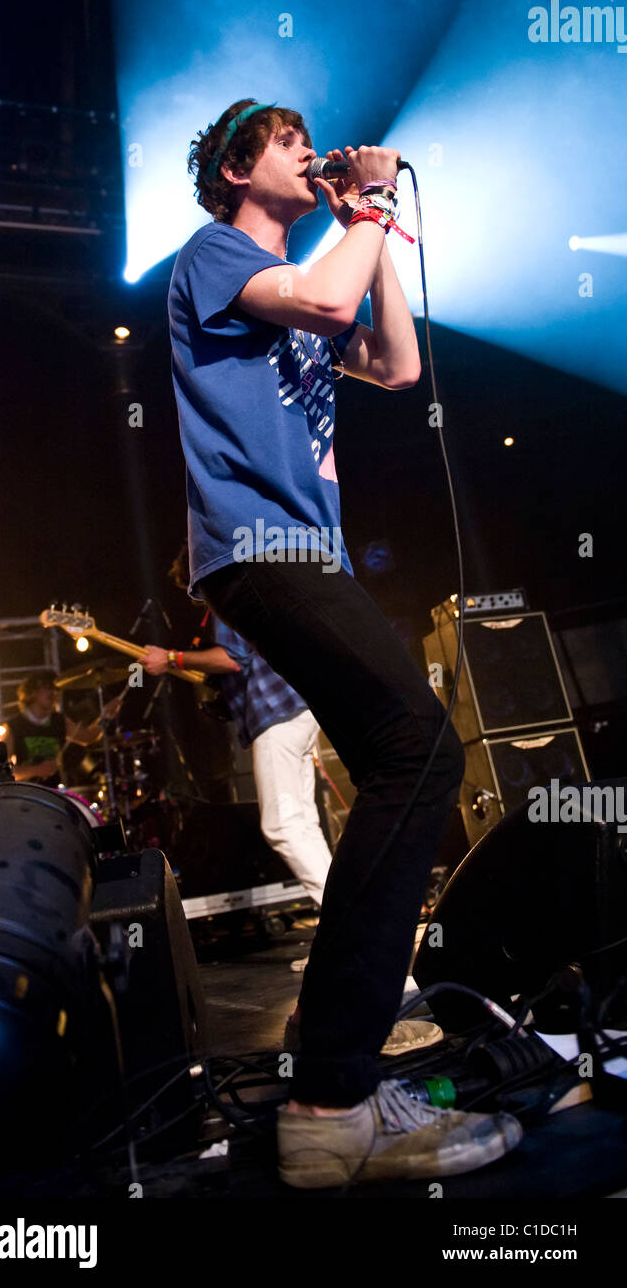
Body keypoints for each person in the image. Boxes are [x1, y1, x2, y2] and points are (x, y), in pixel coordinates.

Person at [165, 99, 522, 1187]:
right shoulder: (215, 254)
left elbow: (395, 361)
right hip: (255, 543)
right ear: (234, 168)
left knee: (396, 762)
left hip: (300, 549)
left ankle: (337, 1089)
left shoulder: (318, 263)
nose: (307, 151)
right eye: (283, 142)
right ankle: (330, 1097)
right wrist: (361, 206)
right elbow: (324, 293)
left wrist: (379, 232)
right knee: (421, 749)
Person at [140, 541, 333, 906]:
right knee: (303, 821)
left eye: (191, 589)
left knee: (282, 826)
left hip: (276, 716)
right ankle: (342, 915)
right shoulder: (253, 581)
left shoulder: (223, 592)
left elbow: (232, 659)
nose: (195, 598)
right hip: (299, 706)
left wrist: (171, 658)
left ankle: (347, 921)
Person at [4, 671, 119, 786]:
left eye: (54, 689)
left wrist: (105, 717)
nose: (53, 692)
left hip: (58, 792)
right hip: (28, 794)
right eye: (47, 687)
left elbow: (88, 737)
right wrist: (36, 769)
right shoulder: (13, 727)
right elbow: (2, 771)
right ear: (30, 692)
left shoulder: (59, 721)